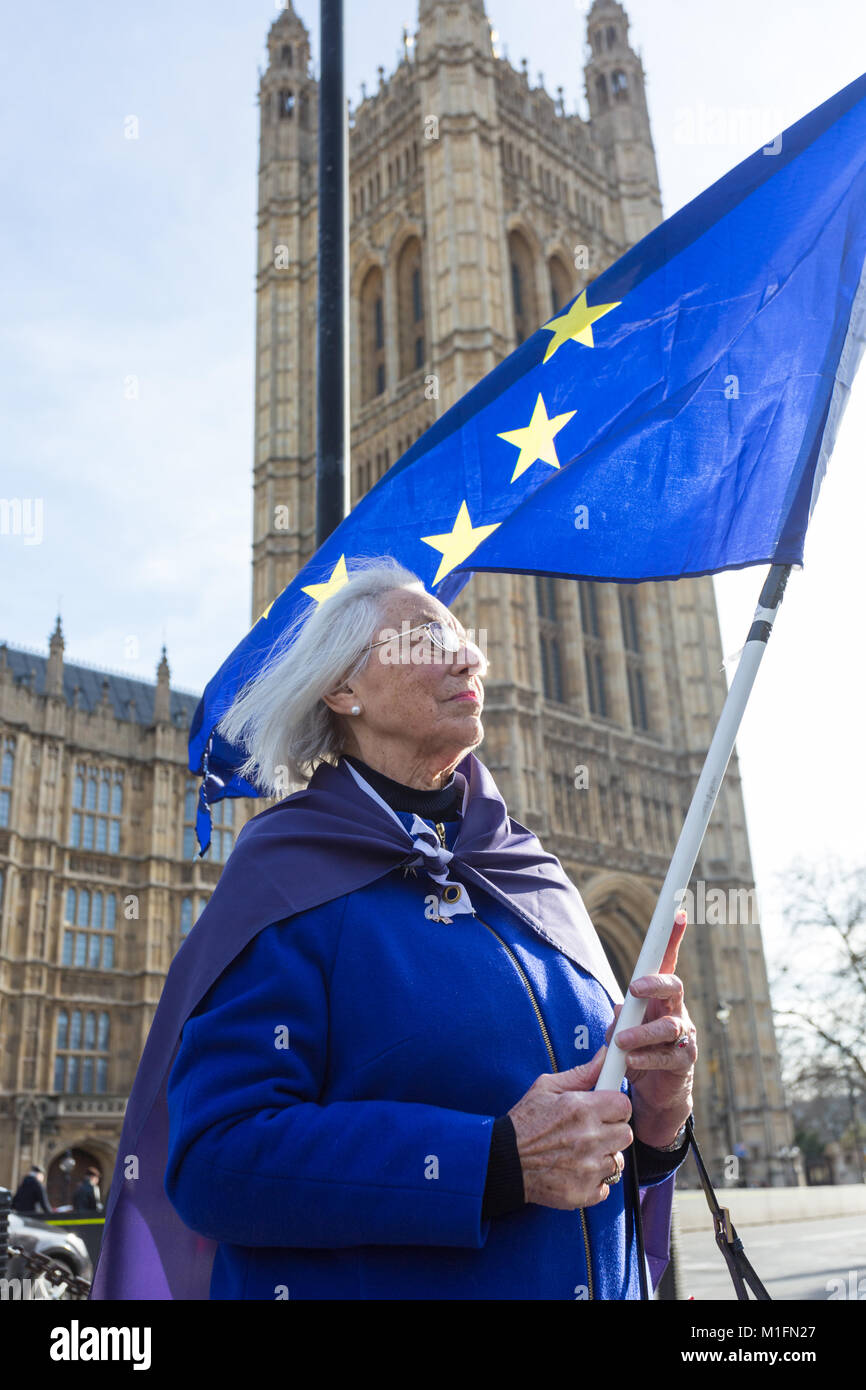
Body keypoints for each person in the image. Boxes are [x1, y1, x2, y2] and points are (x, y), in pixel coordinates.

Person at [90, 556, 696, 1301]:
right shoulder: (290, 878)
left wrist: (658, 1120)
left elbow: (589, 1153)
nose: (469, 655)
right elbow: (217, 1161)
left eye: (467, 640)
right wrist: (491, 1161)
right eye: (426, 641)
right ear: (344, 689)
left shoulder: (528, 872)